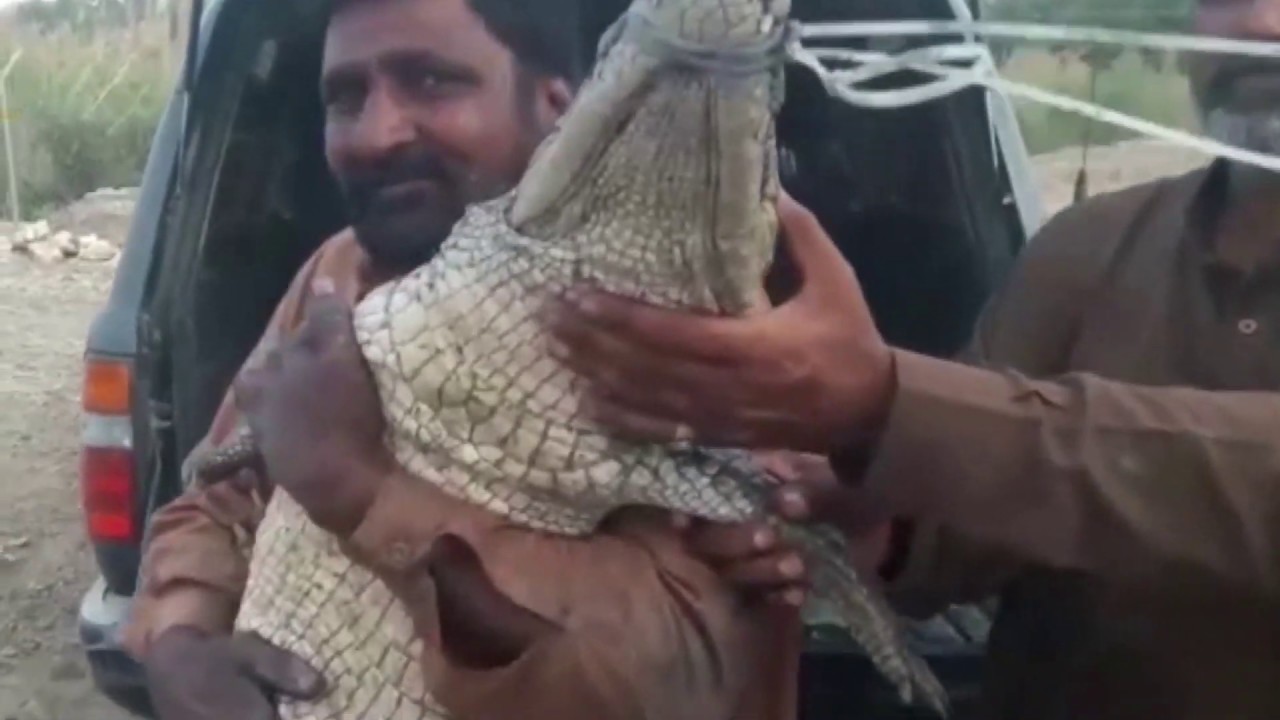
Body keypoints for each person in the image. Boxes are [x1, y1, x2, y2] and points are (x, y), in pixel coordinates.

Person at [542, 1, 1280, 719]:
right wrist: (853, 504)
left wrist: (888, 406)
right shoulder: (1087, 248)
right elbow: (964, 521)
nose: (1260, 24)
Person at [123, 0, 802, 718]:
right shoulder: (340, 275)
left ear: (557, 106)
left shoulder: (680, 329)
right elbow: (219, 493)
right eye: (345, 96)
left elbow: (660, 678)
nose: (376, 135)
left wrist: (361, 488)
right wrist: (181, 641)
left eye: (431, 81)